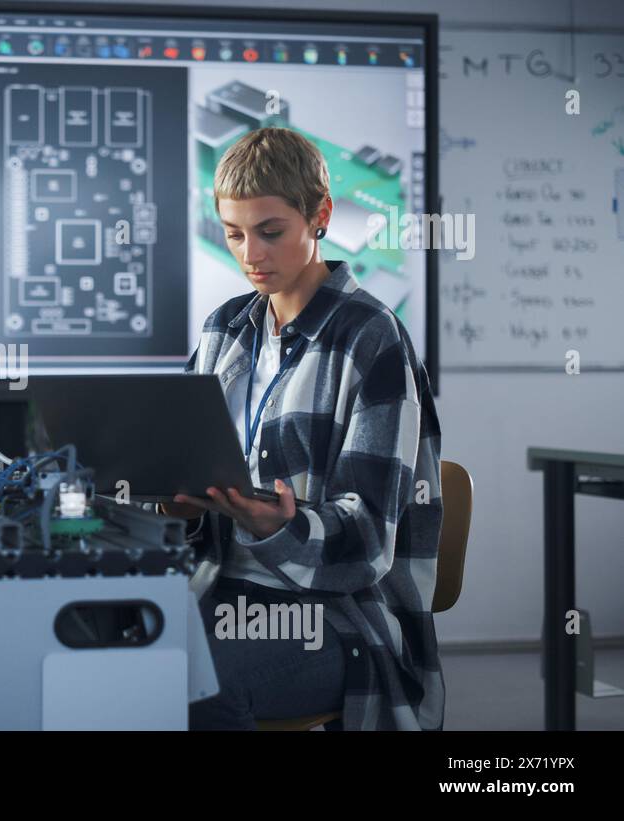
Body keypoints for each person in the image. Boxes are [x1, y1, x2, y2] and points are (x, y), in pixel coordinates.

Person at [165, 127, 444, 730]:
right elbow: (186, 474)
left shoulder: (372, 338)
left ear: (321, 216)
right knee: (105, 655)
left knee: (187, 686)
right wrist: (181, 507)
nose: (250, 255)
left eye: (270, 232)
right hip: (219, 590)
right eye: (234, 234)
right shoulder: (223, 330)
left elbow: (369, 539)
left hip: (335, 615)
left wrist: (281, 526)